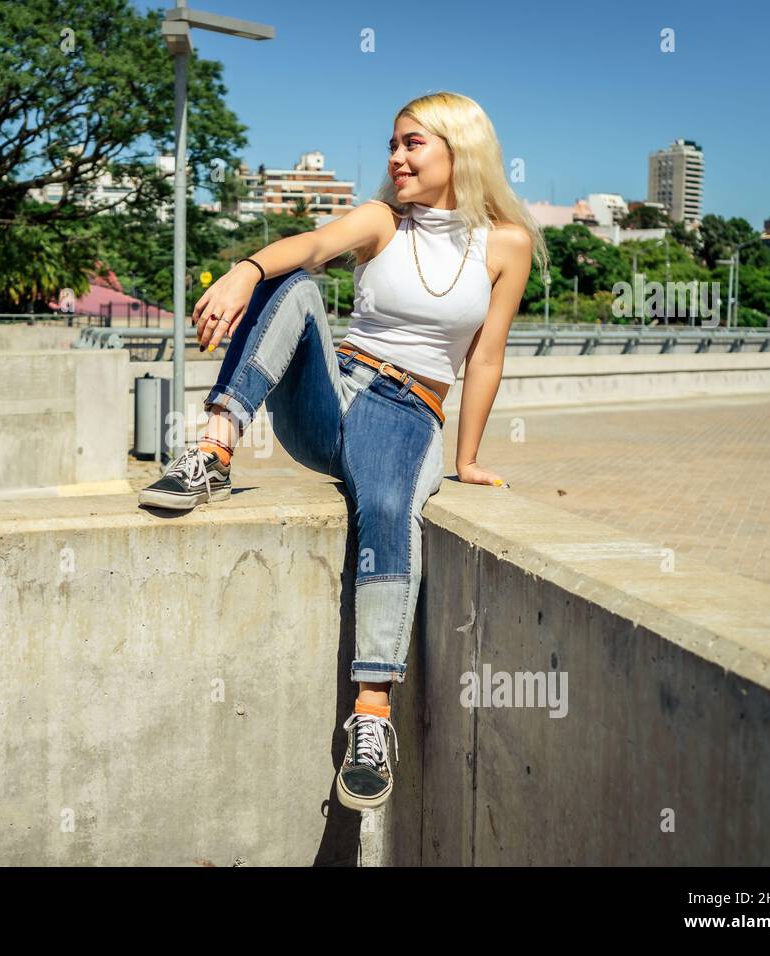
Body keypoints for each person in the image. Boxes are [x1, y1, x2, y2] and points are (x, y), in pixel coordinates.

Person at [138, 91, 545, 810]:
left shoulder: (506, 242)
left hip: (407, 411)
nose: (396, 157)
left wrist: (470, 457)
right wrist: (244, 268)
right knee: (285, 280)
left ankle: (371, 715)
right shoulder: (380, 219)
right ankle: (213, 451)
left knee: (389, 507)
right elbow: (311, 248)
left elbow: (485, 358)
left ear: (460, 148)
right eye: (393, 143)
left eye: (413, 143)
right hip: (332, 394)